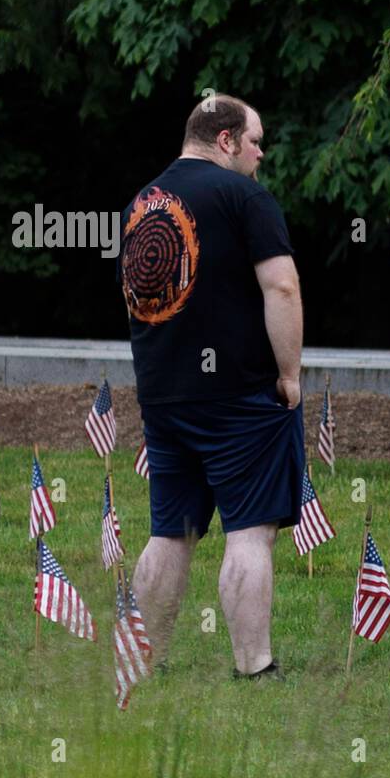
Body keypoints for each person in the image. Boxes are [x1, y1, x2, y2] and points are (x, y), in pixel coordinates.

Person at [118, 93, 303, 680]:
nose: (261, 153)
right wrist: (290, 376)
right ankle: (254, 665)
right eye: (254, 141)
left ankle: (143, 661)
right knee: (250, 531)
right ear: (224, 140)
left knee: (170, 532)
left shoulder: (142, 202)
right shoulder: (245, 196)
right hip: (240, 397)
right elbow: (282, 289)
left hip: (164, 395)